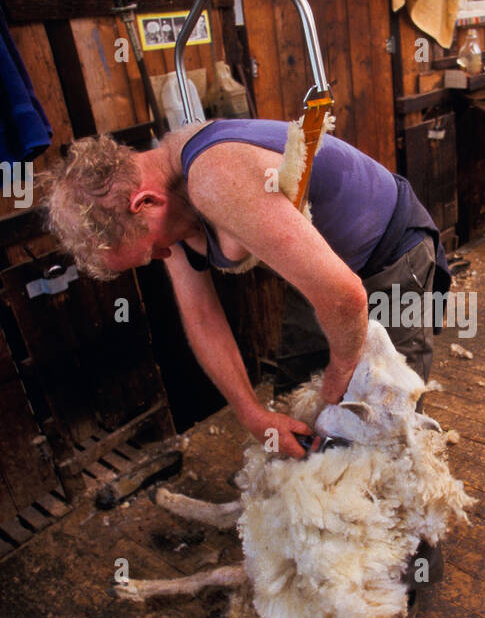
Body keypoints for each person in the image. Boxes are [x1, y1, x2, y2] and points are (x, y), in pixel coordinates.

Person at [44, 118, 450, 460]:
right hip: (320, 272)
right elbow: (201, 317)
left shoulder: (215, 176)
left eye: (152, 249)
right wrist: (251, 413)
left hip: (389, 256)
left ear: (145, 203)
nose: (164, 254)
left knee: (384, 437)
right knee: (303, 419)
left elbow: (345, 295)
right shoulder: (168, 201)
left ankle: (407, 549)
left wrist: (341, 372)